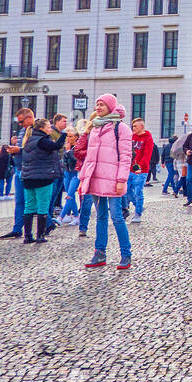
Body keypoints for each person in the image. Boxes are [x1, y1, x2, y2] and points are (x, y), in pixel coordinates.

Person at [78, 95, 133, 269]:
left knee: (117, 217)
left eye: (102, 104)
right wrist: (84, 179)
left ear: (110, 106)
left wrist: (121, 180)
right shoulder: (95, 127)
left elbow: (126, 157)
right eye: (97, 104)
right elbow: (90, 157)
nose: (98, 107)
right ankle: (99, 253)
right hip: (96, 179)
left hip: (113, 179)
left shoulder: (121, 128)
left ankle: (126, 254)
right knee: (100, 217)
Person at [13, 110, 63, 245]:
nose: (50, 129)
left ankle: (28, 236)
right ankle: (40, 235)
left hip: (28, 178)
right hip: (42, 178)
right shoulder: (42, 140)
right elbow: (57, 146)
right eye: (48, 127)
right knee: (42, 206)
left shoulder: (28, 140)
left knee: (29, 206)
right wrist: (64, 134)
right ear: (41, 128)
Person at [124, 117, 153, 223]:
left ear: (142, 126)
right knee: (126, 190)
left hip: (141, 171)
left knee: (138, 191)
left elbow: (147, 155)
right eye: (133, 126)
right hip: (130, 169)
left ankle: (138, 213)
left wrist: (139, 167)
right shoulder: (132, 136)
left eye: (135, 126)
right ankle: (138, 206)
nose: (133, 128)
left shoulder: (148, 138)